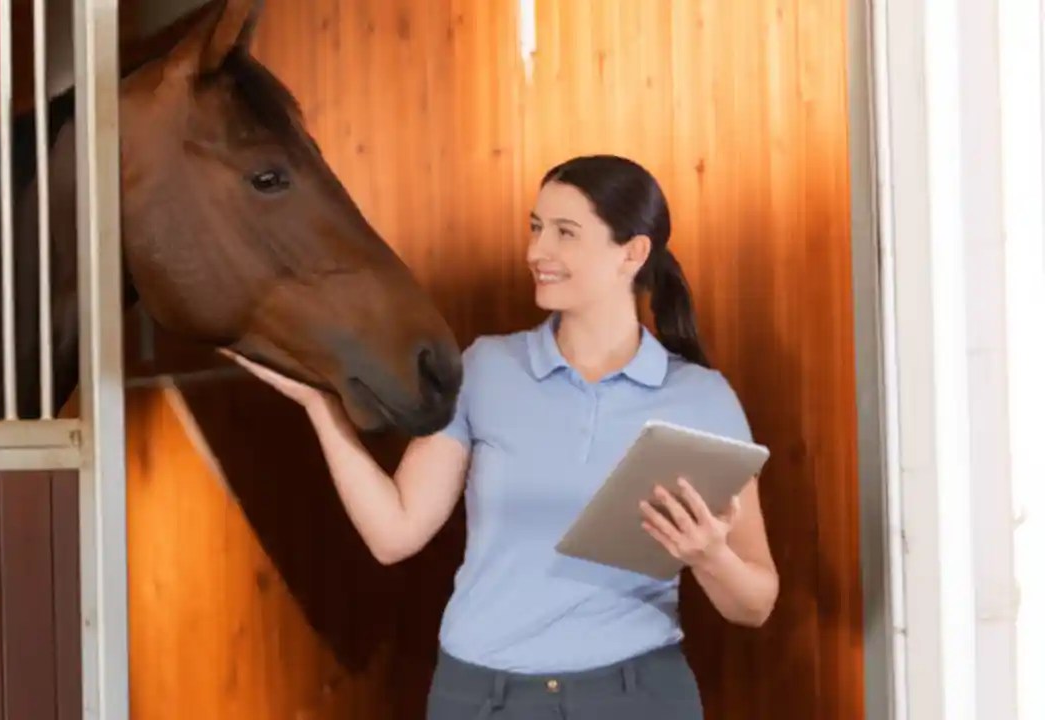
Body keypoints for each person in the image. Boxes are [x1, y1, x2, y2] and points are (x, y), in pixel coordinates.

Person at [223, 154, 778, 719]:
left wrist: (709, 556)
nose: (538, 252)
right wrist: (322, 407)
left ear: (631, 253)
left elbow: (755, 602)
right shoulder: (488, 368)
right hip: (482, 697)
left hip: (635, 696)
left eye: (566, 233)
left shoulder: (701, 398)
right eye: (536, 228)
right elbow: (394, 533)